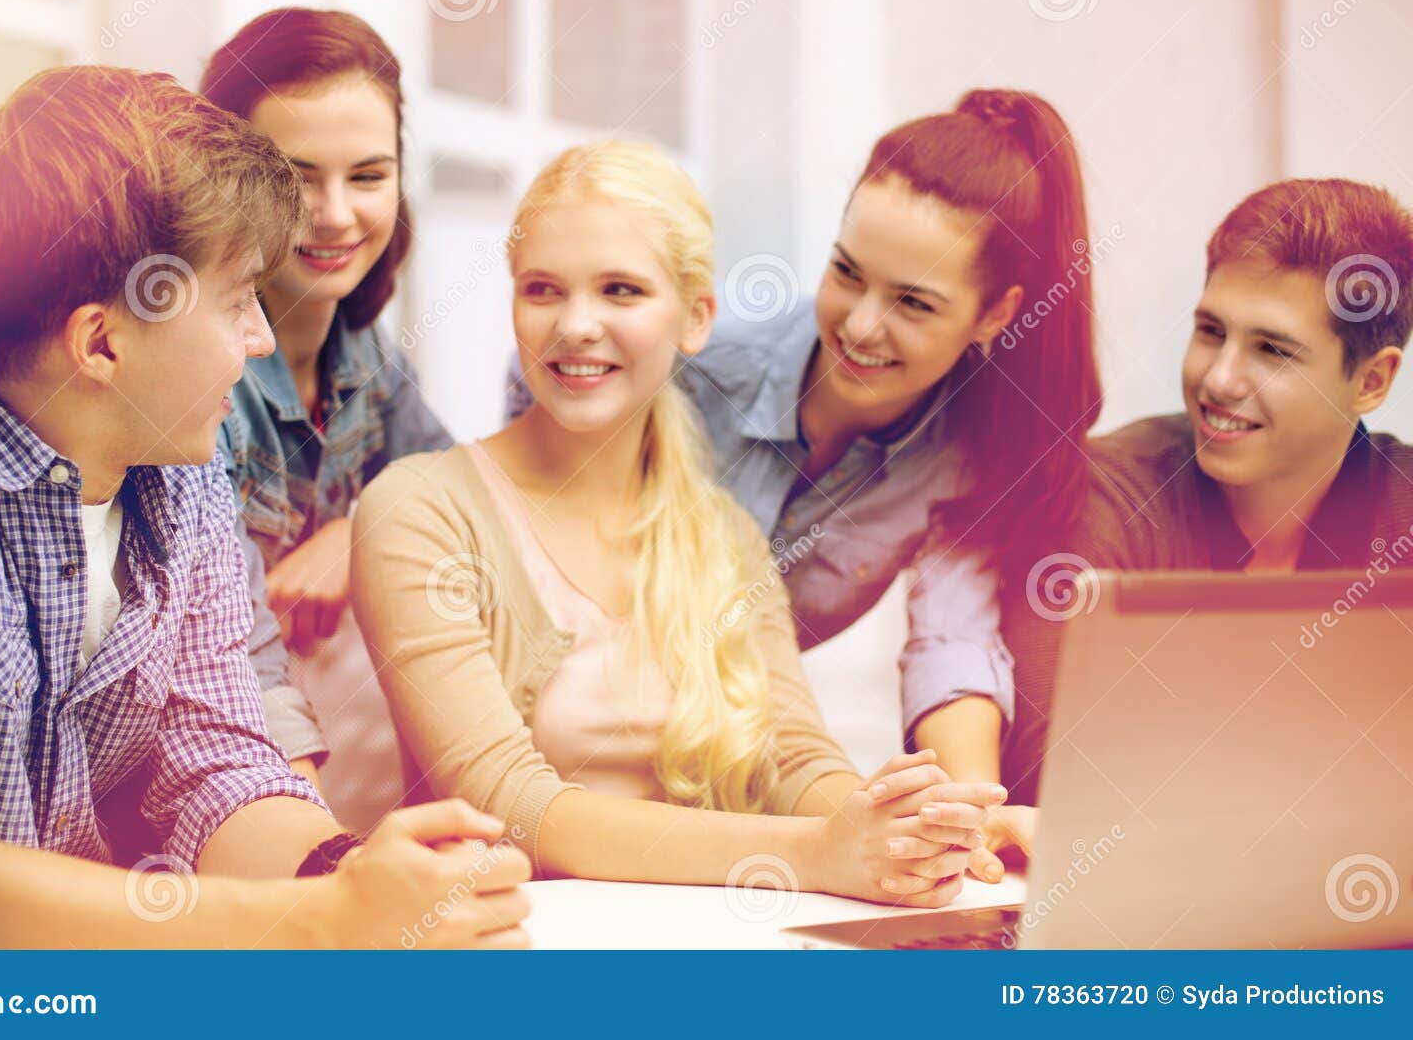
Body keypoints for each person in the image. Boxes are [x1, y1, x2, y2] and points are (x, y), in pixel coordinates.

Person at [0, 66, 528, 949]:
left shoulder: (175, 462)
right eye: (237, 305)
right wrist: (316, 923)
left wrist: (356, 876)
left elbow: (215, 763)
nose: (262, 339)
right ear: (102, 342)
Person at [352, 139, 1005, 905]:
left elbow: (793, 756)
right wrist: (815, 853)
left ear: (695, 318)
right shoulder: (419, 510)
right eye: (542, 289)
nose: (576, 325)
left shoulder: (724, 531)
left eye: (621, 290)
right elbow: (509, 804)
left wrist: (905, 827)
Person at [504, 89, 1099, 877]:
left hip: (739, 811)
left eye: (913, 303)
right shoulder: (695, 360)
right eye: (847, 272)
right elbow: (537, 408)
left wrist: (968, 815)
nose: (860, 324)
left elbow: (951, 643)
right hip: (569, 793)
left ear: (995, 315)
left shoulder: (973, 453)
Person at [1000, 177, 1413, 808]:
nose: (1218, 379)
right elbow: (1044, 778)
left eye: (1273, 350)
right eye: (1212, 331)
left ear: (1372, 380)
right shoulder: (1103, 495)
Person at [201, 8, 452, 823]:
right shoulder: (199, 379)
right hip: (225, 785)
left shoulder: (366, 355)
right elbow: (231, 652)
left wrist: (362, 528)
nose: (337, 213)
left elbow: (474, 489)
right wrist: (324, 861)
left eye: (369, 176)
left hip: (339, 781)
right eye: (296, 176)